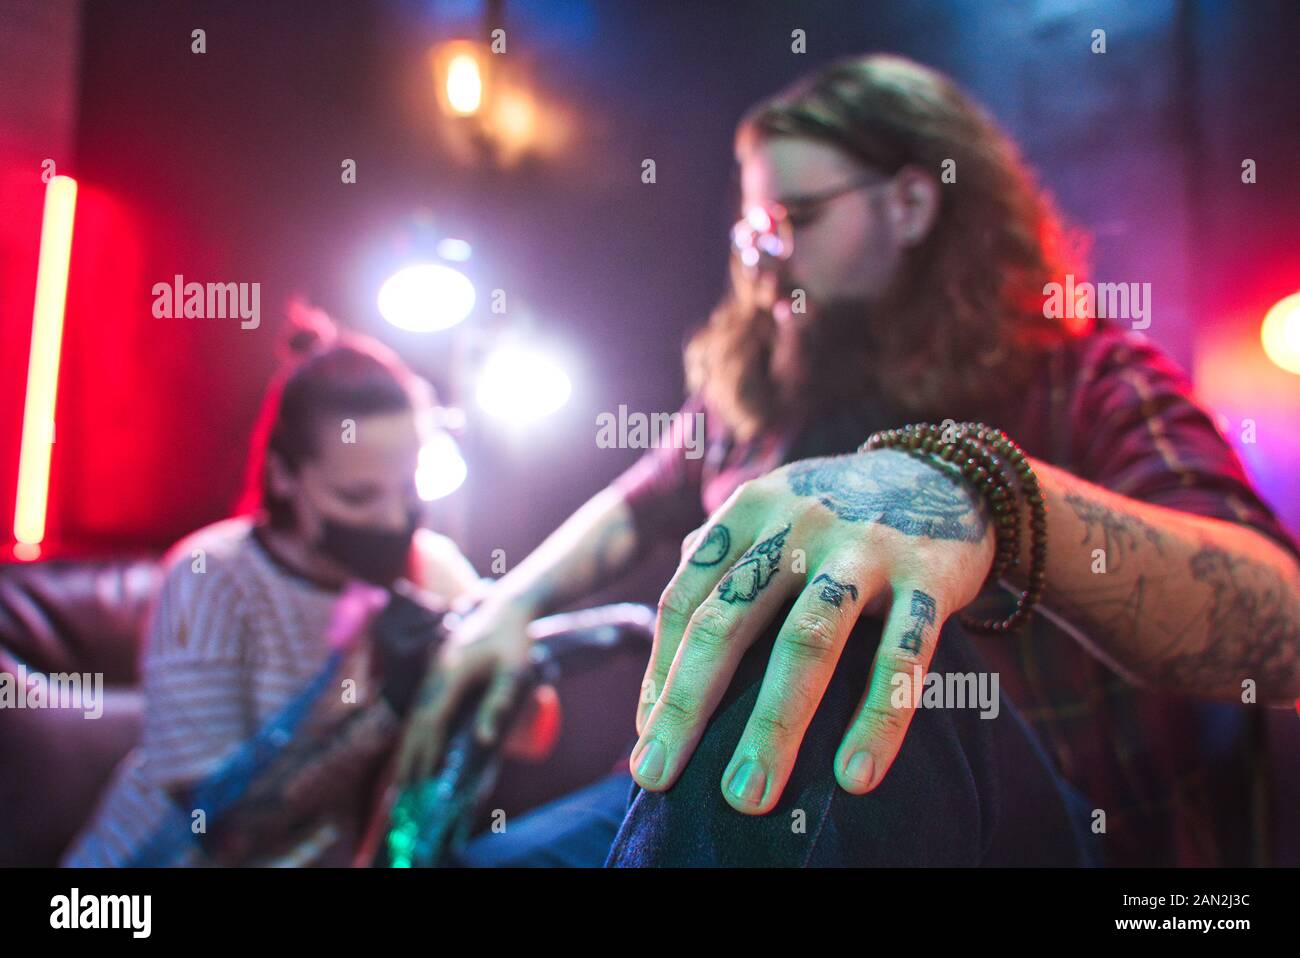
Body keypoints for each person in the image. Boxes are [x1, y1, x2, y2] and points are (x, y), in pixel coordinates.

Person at [399, 54, 1300, 869]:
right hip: (729, 802)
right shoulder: (753, 401)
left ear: (911, 203)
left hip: (1023, 835)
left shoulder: (1085, 376)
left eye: (794, 218)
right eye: (753, 232)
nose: (764, 261)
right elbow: (638, 501)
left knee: (846, 617)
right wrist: (506, 606)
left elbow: (1284, 625)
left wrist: (989, 498)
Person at [63, 304, 485, 867]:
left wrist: (484, 662)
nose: (390, 520)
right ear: (284, 476)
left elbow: (535, 725)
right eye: (357, 497)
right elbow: (217, 832)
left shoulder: (429, 567)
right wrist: (385, 705)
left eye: (407, 490)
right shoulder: (212, 577)